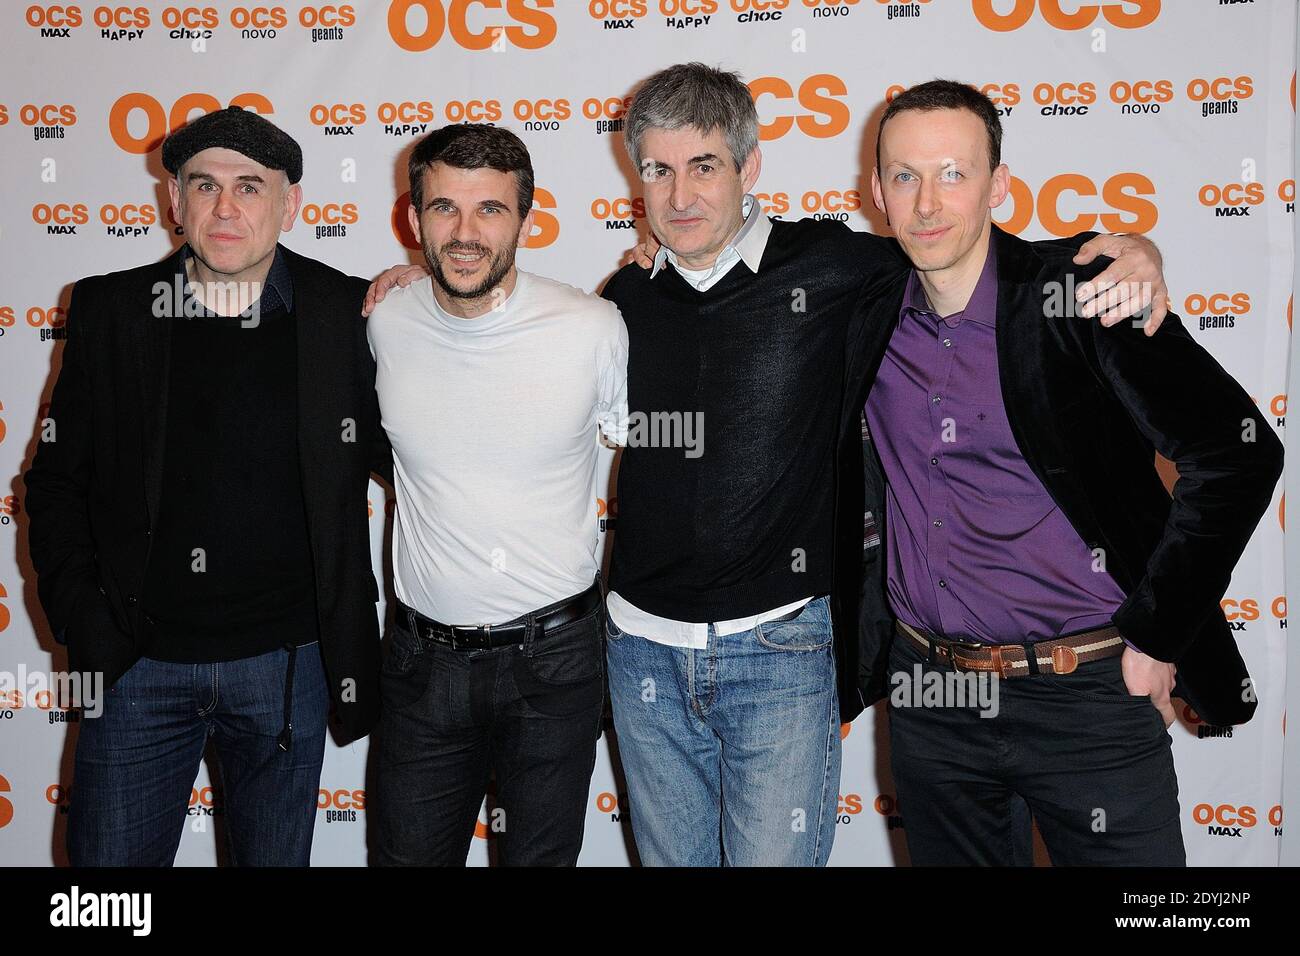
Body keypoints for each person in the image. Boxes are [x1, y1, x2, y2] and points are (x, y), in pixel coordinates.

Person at [365, 63, 1168, 866]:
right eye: (659, 170)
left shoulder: (835, 266)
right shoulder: (626, 299)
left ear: (749, 169)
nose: (680, 196)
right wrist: (417, 282)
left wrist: (1119, 252)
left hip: (781, 651)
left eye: (705, 166)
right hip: (640, 650)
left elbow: (964, 251)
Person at [834, 79, 1284, 865]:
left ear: (999, 185)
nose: (928, 202)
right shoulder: (862, 300)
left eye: (954, 173)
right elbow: (731, 244)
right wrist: (656, 250)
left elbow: (1239, 451)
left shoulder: (1081, 294)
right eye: (905, 176)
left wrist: (1158, 628)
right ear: (876, 191)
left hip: (1087, 698)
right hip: (933, 699)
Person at [24, 106, 390, 866]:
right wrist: (89, 628)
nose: (226, 209)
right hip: (137, 667)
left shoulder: (345, 314)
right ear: (173, 203)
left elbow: (423, 454)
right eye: (204, 186)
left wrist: (431, 289)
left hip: (288, 667)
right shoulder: (113, 310)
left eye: (250, 187)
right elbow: (58, 483)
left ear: (290, 205)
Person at [368, 124, 628, 866]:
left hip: (555, 665)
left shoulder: (593, 328)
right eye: (444, 208)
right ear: (412, 217)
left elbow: (662, 455)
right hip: (422, 666)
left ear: (526, 217)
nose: (465, 233)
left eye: (490, 210)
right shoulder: (385, 320)